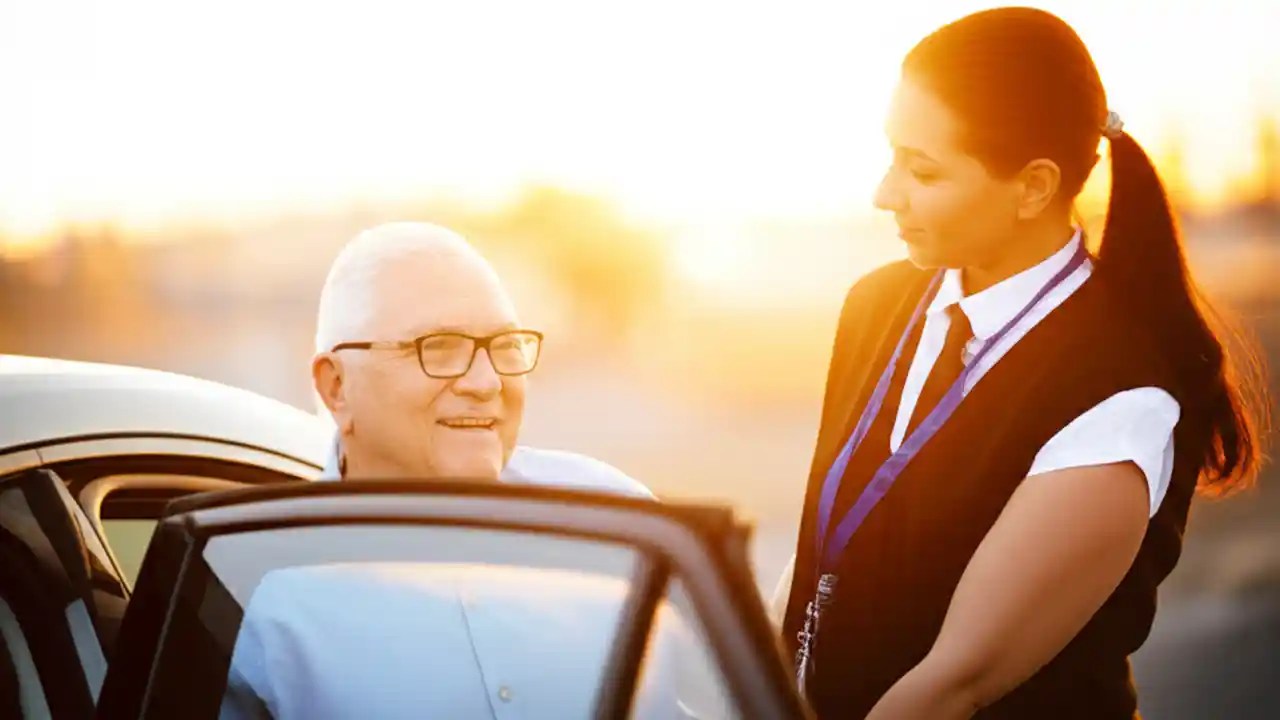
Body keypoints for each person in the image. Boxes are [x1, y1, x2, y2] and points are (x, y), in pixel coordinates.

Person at [777, 8, 1269, 719]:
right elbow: (827, 536)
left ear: (1034, 186)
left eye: (922, 170)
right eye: (892, 155)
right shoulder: (877, 304)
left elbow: (957, 683)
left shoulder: (1118, 390)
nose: (885, 193)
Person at [220, 222, 704, 719]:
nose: (486, 381)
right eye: (439, 348)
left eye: (505, 346)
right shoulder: (252, 603)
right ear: (336, 387)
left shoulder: (622, 529)